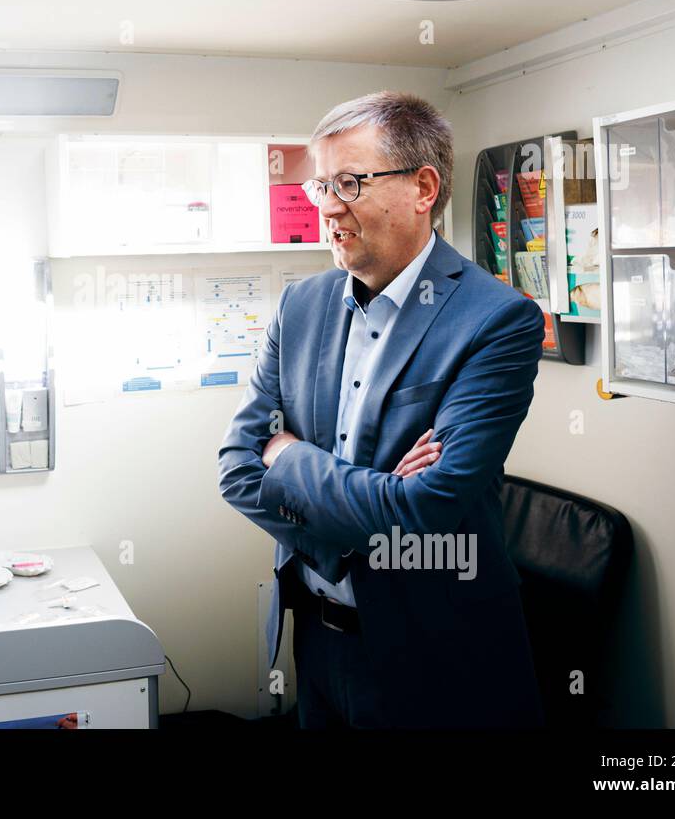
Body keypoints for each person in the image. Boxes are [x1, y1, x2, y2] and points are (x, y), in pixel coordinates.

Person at [217, 91, 545, 728]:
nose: (329, 208)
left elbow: (427, 508)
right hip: (315, 639)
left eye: (350, 182)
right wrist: (355, 529)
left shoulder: (496, 319)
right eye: (321, 185)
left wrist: (286, 456)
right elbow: (236, 469)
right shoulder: (300, 306)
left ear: (423, 188)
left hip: (439, 652)